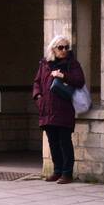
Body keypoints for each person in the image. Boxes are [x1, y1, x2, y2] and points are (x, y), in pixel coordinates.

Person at [31, 33, 85, 183]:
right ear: (53, 49)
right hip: (47, 110)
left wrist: (63, 76)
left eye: (66, 47)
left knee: (64, 142)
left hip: (64, 110)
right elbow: (36, 82)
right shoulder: (45, 64)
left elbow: (80, 81)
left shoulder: (72, 64)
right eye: (61, 47)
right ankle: (57, 171)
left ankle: (67, 174)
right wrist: (38, 98)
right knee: (53, 142)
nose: (64, 50)